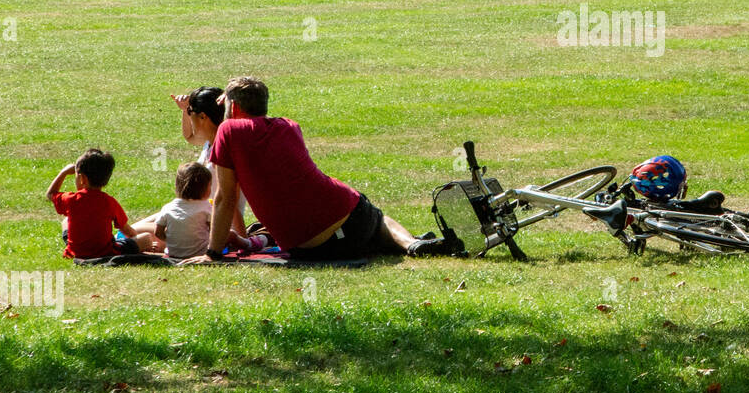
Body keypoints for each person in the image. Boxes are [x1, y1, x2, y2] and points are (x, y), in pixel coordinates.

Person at [205, 76, 454, 260]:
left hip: (309, 248)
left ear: (234, 108)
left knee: (372, 220)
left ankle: (409, 243)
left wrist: (213, 254)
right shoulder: (290, 126)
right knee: (376, 218)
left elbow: (225, 196)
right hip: (352, 222)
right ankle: (409, 243)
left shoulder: (228, 130)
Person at [130, 86, 247, 245]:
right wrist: (185, 110)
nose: (189, 114)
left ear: (203, 117)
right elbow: (189, 137)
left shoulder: (223, 152)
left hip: (208, 225)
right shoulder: (211, 140)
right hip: (194, 214)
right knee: (128, 232)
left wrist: (243, 241)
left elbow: (231, 201)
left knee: (131, 234)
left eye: (191, 111)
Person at [47, 149, 141, 259]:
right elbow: (128, 232)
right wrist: (134, 238)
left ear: (83, 178)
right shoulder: (109, 202)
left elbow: (50, 194)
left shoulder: (70, 199)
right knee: (146, 238)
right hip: (106, 253)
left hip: (76, 253)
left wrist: (64, 172)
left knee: (65, 221)